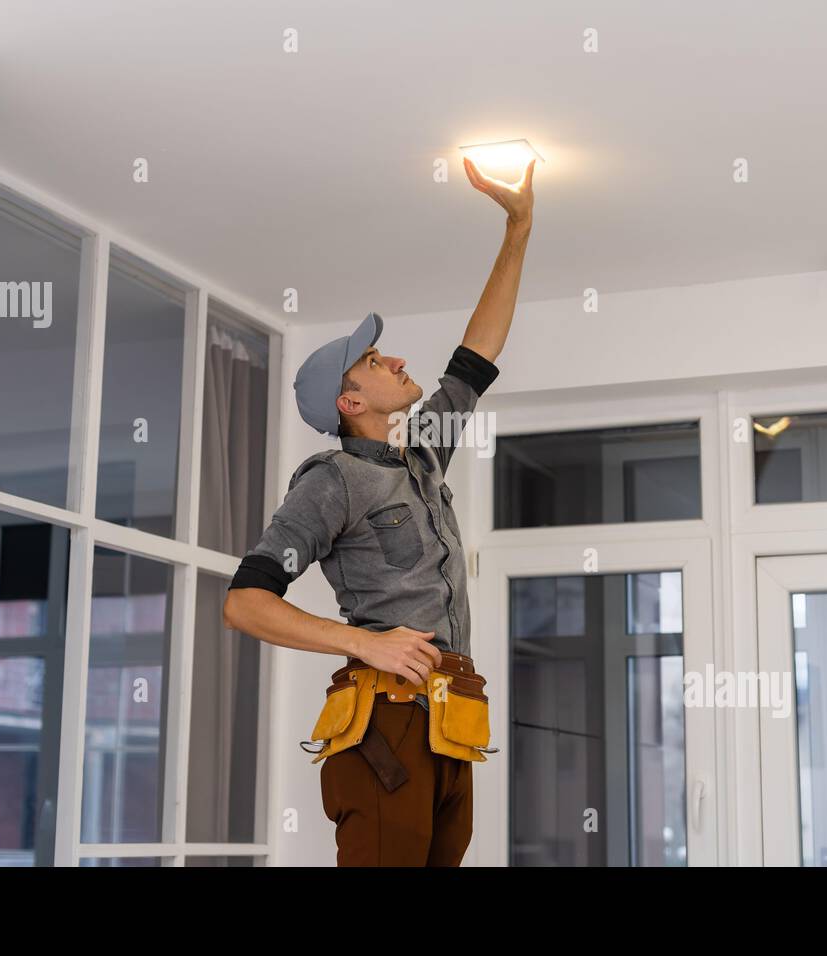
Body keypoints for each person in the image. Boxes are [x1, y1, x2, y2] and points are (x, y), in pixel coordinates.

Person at [223, 154, 535, 865]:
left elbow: (475, 358)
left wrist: (518, 226)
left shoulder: (421, 457)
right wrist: (364, 643)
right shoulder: (332, 481)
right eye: (372, 361)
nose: (393, 360)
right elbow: (244, 603)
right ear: (350, 402)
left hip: (451, 722)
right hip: (387, 727)